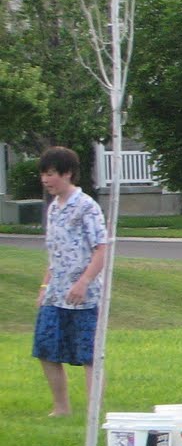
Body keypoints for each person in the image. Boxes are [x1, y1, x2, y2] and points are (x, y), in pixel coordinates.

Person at [32, 146, 108, 417]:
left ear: (68, 174)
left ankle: (93, 412)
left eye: (51, 174)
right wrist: (44, 287)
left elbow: (101, 249)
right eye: (43, 174)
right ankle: (61, 407)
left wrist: (84, 282)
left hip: (84, 296)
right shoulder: (53, 208)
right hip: (56, 293)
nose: (45, 180)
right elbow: (55, 253)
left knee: (89, 355)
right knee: (46, 348)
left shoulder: (86, 206)